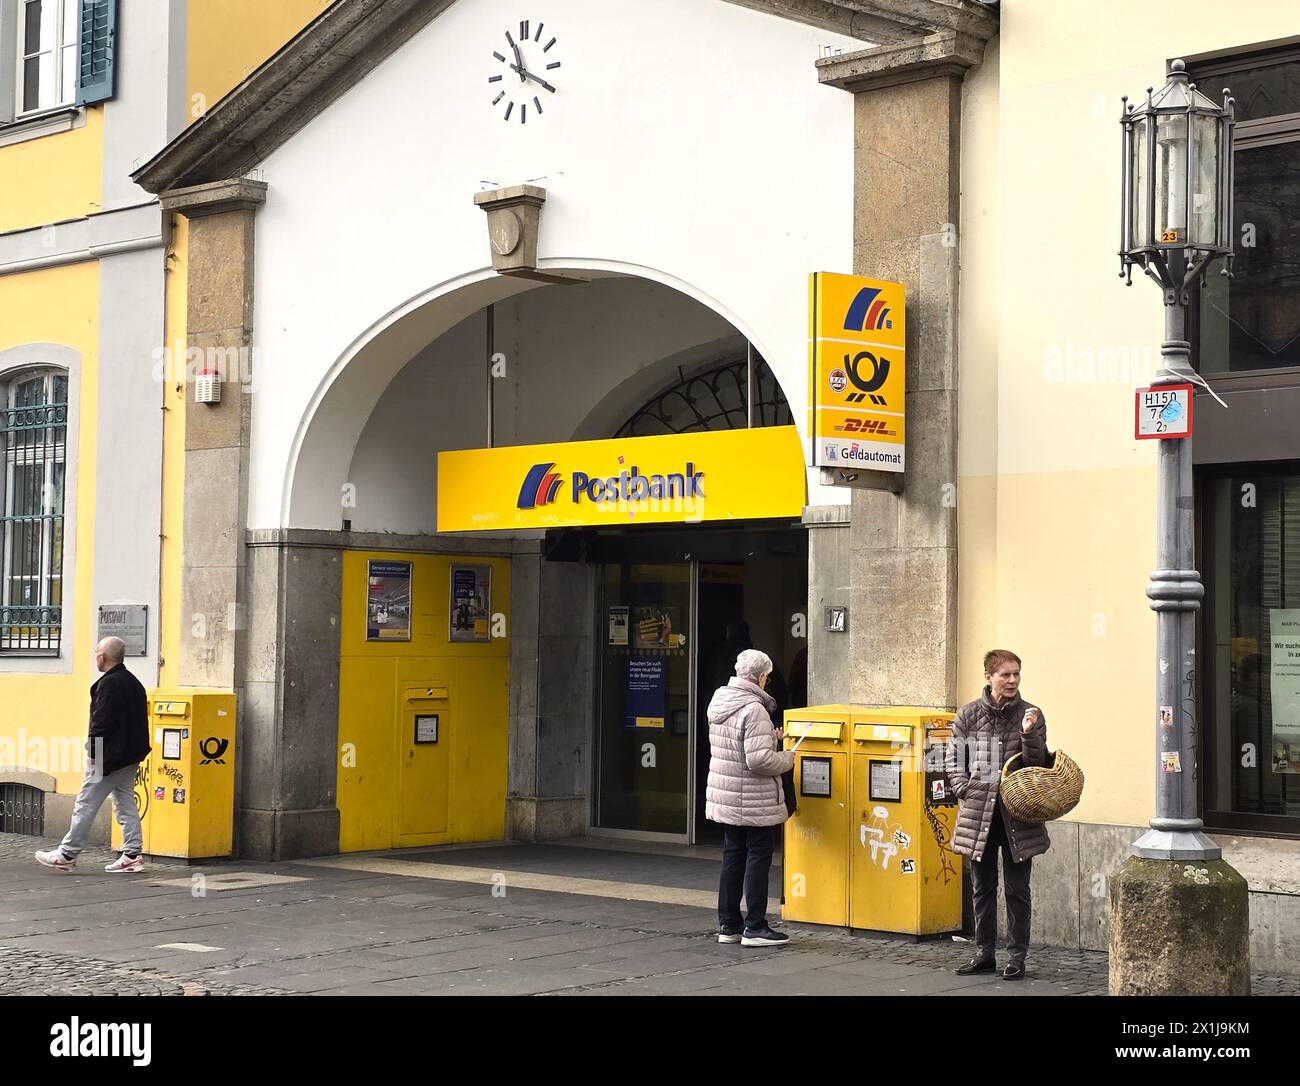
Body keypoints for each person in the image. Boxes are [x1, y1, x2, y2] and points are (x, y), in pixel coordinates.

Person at [944, 648, 1050, 980]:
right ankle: (984, 953)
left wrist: (1030, 734)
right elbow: (951, 759)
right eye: (1005, 674)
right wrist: (963, 788)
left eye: (1016, 673)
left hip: (1018, 815)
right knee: (982, 887)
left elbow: (1038, 765)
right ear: (989, 677)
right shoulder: (968, 714)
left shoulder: (1031, 714)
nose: (1013, 680)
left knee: (1018, 890)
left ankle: (1017, 957)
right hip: (980, 815)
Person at [36, 637, 151, 873]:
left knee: (86, 803)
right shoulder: (133, 682)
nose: (95, 656)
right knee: (125, 802)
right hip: (130, 756)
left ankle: (67, 854)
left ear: (103, 657)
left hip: (108, 757)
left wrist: (93, 752)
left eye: (97, 652)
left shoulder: (109, 684)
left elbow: (101, 723)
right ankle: (132, 855)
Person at [705, 648, 796, 947]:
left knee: (733, 855)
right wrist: (787, 757)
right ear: (759, 677)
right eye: (766, 677)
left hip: (727, 795)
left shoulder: (721, 701)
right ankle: (755, 926)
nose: (767, 682)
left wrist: (771, 737)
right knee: (758, 855)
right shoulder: (754, 708)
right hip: (752, 798)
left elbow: (736, 747)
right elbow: (759, 762)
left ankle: (729, 925)